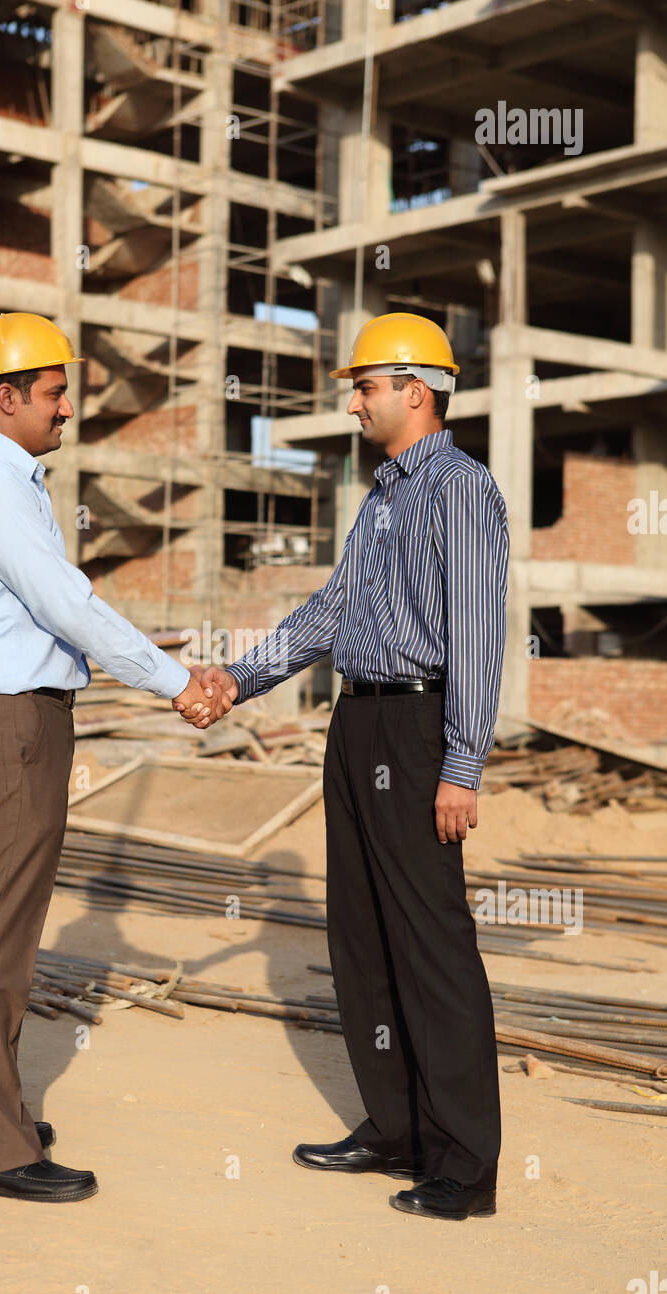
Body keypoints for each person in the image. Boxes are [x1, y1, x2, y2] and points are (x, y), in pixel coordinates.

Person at [180, 312, 509, 1221]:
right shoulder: (383, 497)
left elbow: (481, 637)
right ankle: (396, 1127)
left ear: (417, 389)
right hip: (356, 724)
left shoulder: (462, 491)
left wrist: (461, 764)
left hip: (416, 725)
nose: (355, 403)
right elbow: (329, 615)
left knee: (432, 947)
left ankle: (463, 1165)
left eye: (364, 387)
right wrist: (236, 680)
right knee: (361, 941)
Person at [0, 312, 229, 1203]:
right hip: (13, 725)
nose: (67, 409)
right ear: (6, 396)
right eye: (54, 393)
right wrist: (174, 682)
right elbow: (67, 604)